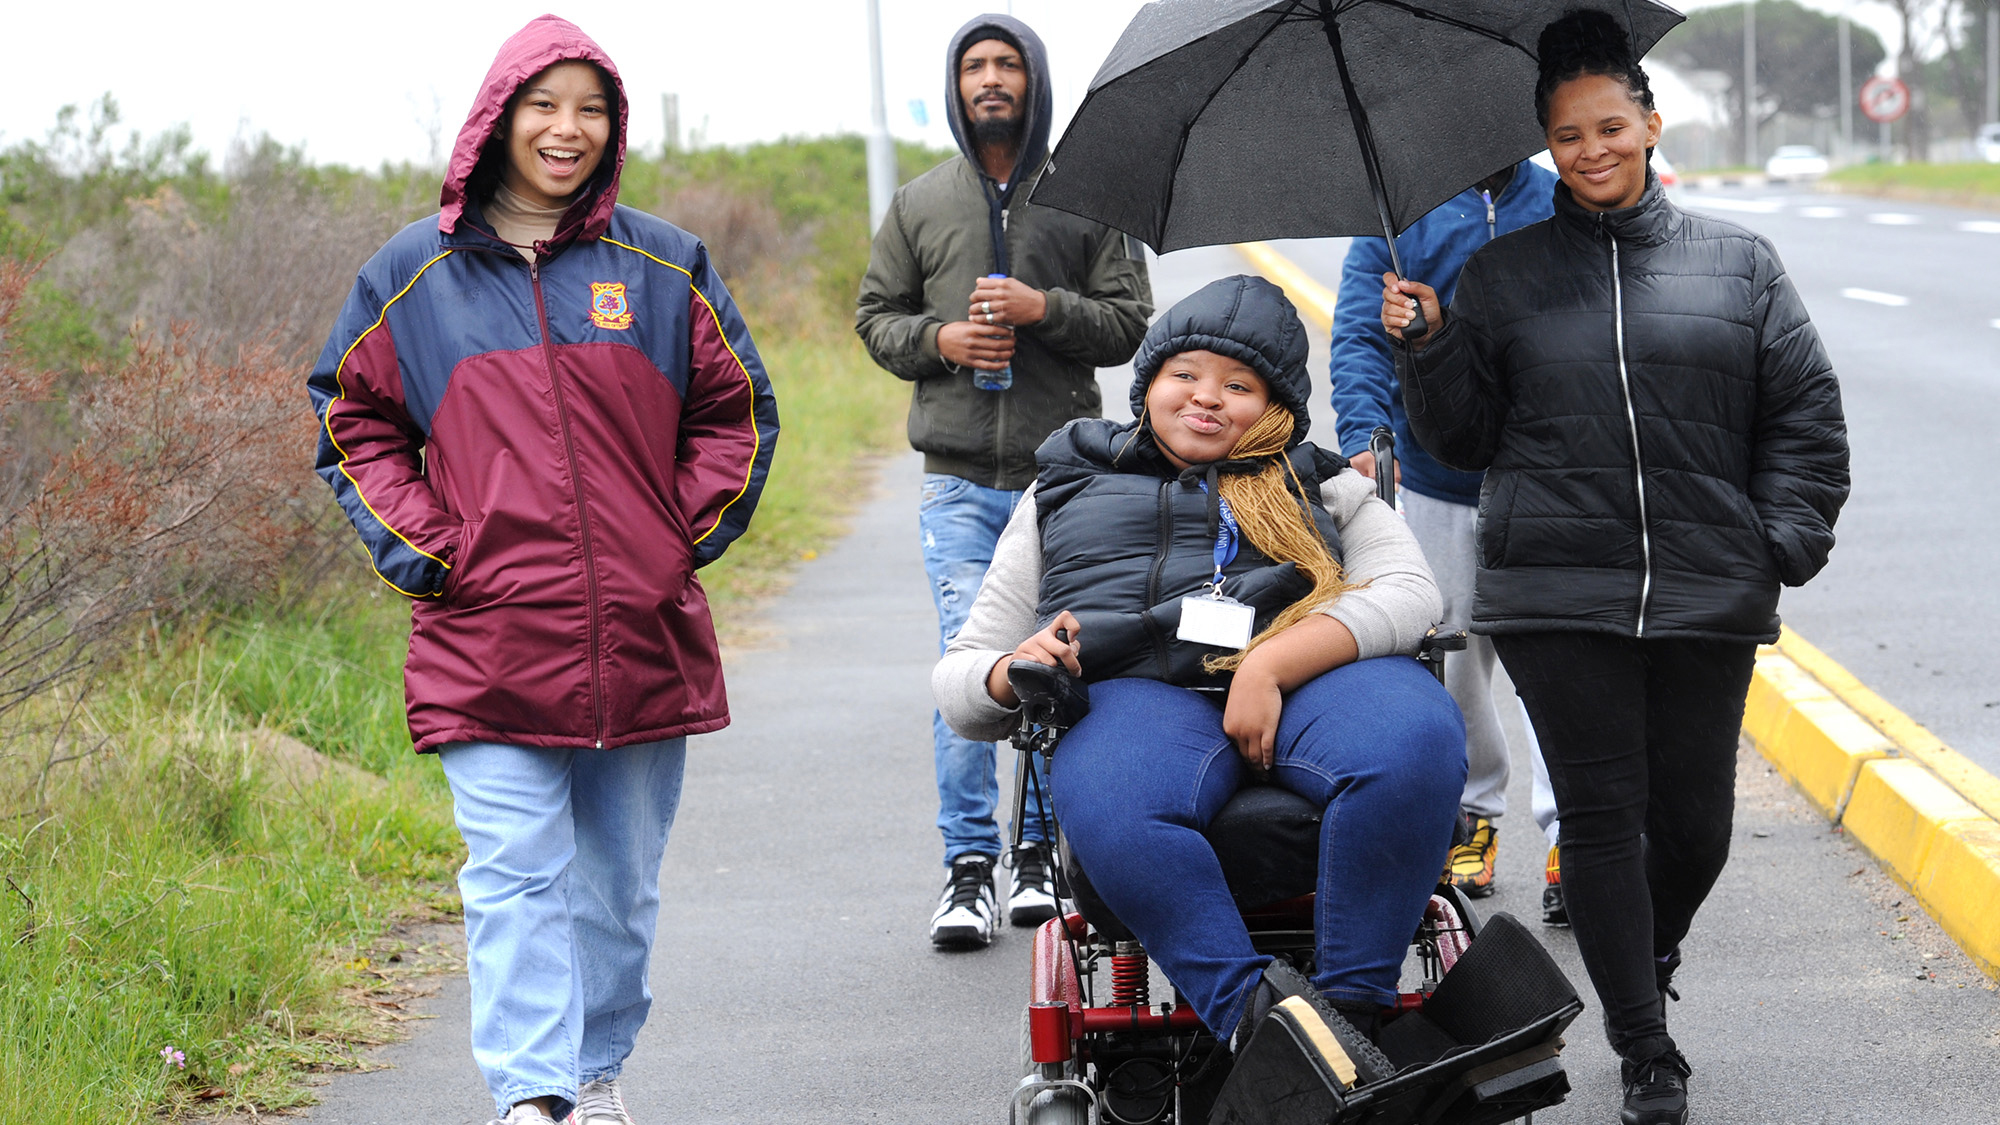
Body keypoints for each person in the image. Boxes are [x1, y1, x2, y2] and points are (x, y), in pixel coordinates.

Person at [306, 17, 779, 1125]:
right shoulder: (410, 272)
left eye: (591, 109)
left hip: (639, 632)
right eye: (544, 105)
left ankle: (598, 1070)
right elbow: (351, 415)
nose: (567, 130)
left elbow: (737, 410)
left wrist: (673, 541)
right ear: (498, 116)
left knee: (614, 893)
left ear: (612, 128)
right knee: (514, 875)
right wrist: (431, 549)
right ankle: (535, 1098)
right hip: (486, 631)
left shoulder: (662, 264)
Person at [1382, 12, 1848, 1125]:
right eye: (1565, 135)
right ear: (1545, 145)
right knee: (1599, 818)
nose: (1589, 150)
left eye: (1607, 125)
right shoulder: (1499, 275)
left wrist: (1776, 541)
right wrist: (1427, 349)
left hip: (1705, 590)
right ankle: (1645, 1047)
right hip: (1552, 589)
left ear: (1647, 121)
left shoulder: (1737, 262)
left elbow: (1803, 416)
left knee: (1694, 827)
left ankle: (1643, 956)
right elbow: (1458, 441)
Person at [934, 275, 1463, 1047]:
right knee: (1113, 793)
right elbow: (962, 676)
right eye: (1183, 375)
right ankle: (1261, 1029)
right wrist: (1013, 668)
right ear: (1148, 384)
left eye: (1238, 385)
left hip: (1316, 679)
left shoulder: (1321, 484)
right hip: (1137, 692)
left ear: (1277, 406)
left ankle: (1353, 1015)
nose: (1205, 398)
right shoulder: (1065, 483)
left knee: (1416, 735)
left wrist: (1270, 663)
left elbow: (1414, 593)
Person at [856, 13, 1152, 949]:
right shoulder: (919, 203)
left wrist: (1042, 309)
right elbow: (875, 319)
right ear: (957, 85)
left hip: (1064, 479)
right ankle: (968, 867)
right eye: (976, 66)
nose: (991, 79)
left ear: (1034, 82)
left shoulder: (1086, 198)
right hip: (956, 485)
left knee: (1064, 666)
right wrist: (939, 340)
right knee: (970, 667)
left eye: (1007, 65)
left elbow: (1129, 323)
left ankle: (1041, 853)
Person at [1329, 158, 1568, 915]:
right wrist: (1366, 429)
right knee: (1450, 657)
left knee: (1556, 659)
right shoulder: (1398, 215)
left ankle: (1575, 833)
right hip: (1431, 476)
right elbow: (1359, 336)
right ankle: (1472, 816)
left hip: (1546, 473)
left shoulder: (1563, 202)